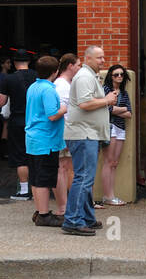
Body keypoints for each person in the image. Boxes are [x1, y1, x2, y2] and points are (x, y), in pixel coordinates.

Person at [62, 46, 117, 236]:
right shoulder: (85, 77)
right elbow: (85, 104)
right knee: (83, 178)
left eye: (103, 57)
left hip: (87, 134)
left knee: (85, 178)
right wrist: (108, 100)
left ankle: (85, 218)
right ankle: (73, 221)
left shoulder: (88, 76)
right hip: (84, 134)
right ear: (88, 58)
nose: (103, 61)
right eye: (99, 57)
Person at [24, 55, 67, 227]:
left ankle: (39, 210)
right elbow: (52, 115)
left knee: (35, 177)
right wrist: (63, 109)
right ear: (55, 72)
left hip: (33, 138)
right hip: (47, 140)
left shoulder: (33, 87)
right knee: (44, 178)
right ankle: (44, 215)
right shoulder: (49, 90)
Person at [0, 50, 37, 201]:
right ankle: (38, 188)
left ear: (14, 63)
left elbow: (1, 101)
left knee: (20, 155)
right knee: (36, 154)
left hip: (18, 120)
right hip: (36, 120)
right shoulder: (37, 76)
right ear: (29, 61)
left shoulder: (9, 78)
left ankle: (24, 190)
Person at [98, 64, 132, 207]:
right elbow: (105, 108)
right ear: (110, 76)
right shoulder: (105, 90)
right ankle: (108, 196)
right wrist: (120, 109)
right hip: (109, 127)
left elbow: (129, 113)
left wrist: (115, 109)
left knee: (114, 163)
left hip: (120, 128)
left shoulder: (124, 93)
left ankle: (111, 195)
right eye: (116, 74)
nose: (119, 77)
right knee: (108, 161)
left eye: (121, 74)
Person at [53, 53, 81, 216]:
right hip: (65, 131)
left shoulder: (65, 84)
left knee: (67, 168)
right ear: (70, 66)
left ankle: (69, 205)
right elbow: (62, 111)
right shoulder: (61, 85)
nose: (79, 68)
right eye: (78, 65)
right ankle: (64, 207)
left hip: (69, 130)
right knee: (63, 168)